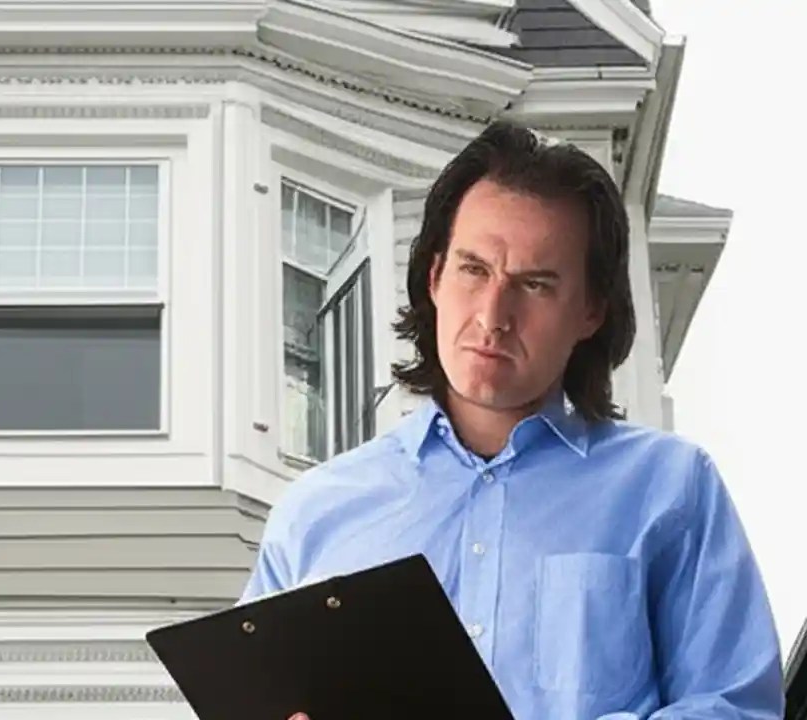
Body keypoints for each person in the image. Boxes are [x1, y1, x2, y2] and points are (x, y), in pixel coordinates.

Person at [241, 121, 783, 719]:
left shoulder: (670, 488)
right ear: (435, 277)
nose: (493, 316)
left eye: (535, 284)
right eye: (474, 270)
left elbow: (737, 708)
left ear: (591, 310)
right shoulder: (314, 513)